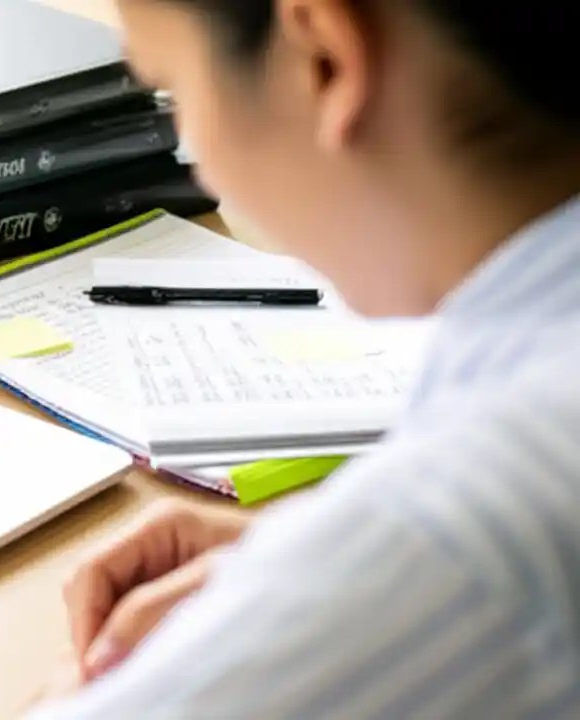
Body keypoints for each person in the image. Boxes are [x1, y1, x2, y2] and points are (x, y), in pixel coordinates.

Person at [30, 1, 580, 717]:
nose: (203, 166)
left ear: (325, 58)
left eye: (175, 91)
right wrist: (316, 574)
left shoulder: (454, 540)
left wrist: (348, 582)